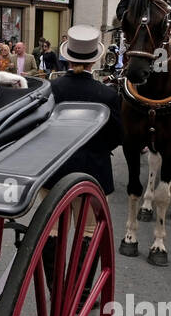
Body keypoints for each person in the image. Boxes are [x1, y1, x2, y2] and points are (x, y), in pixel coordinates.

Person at [48, 25, 122, 194]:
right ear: (94, 60)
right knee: (89, 221)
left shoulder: (50, 88)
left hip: (54, 168)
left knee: (55, 220)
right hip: (93, 169)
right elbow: (117, 136)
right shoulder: (108, 95)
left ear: (67, 58)